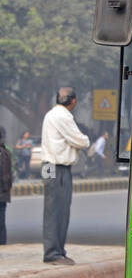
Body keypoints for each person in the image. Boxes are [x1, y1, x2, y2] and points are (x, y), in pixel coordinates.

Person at [41, 87, 90, 265]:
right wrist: (85, 141)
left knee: (52, 208)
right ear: (74, 101)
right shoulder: (63, 116)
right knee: (59, 210)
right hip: (58, 167)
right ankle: (54, 252)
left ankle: (56, 250)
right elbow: (80, 140)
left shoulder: (51, 114)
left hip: (48, 165)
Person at [0, 127, 12, 245]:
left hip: (2, 193)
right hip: (3, 193)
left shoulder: (4, 153)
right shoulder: (6, 152)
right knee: (1, 222)